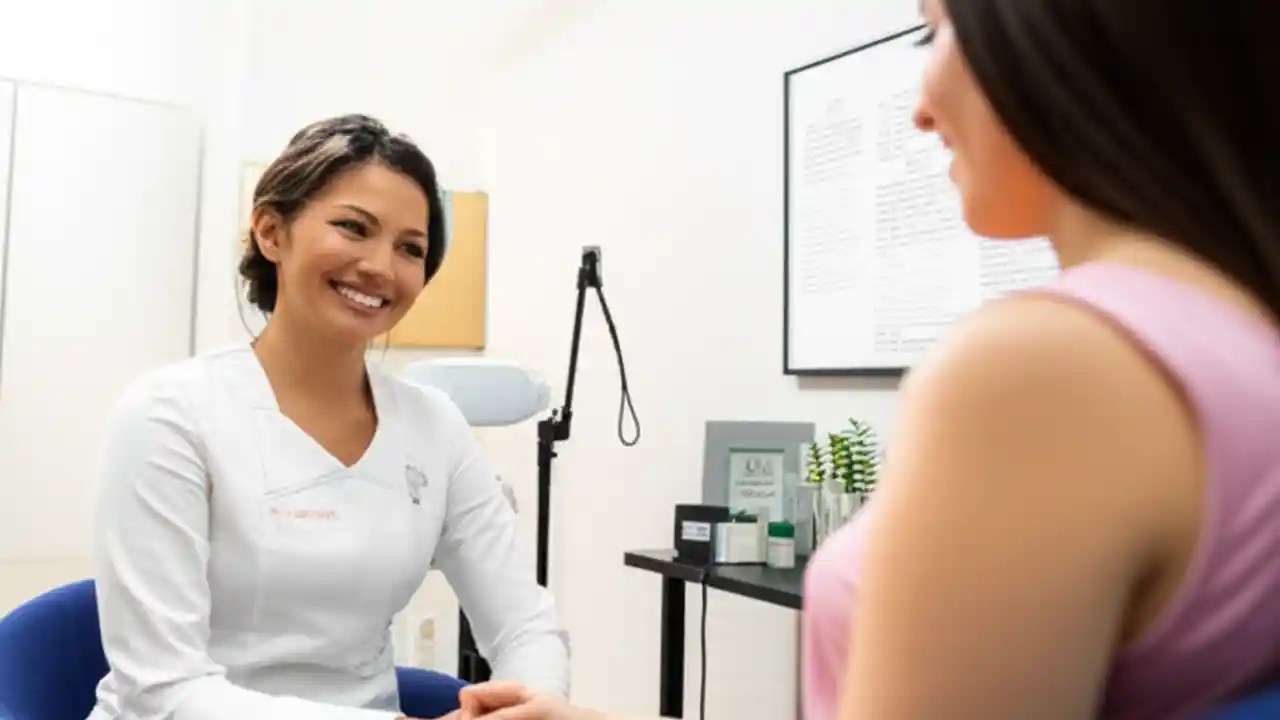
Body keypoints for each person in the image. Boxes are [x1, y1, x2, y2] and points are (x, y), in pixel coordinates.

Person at [455, 0, 1280, 718]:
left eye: (932, 36)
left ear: (1064, 36)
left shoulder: (1049, 369)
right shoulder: (1233, 336)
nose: (919, 110)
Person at [88, 114, 569, 720]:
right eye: (352, 227)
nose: (380, 266)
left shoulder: (435, 427)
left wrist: (528, 703)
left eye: (410, 249)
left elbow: (525, 625)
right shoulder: (170, 417)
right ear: (272, 232)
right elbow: (164, 690)